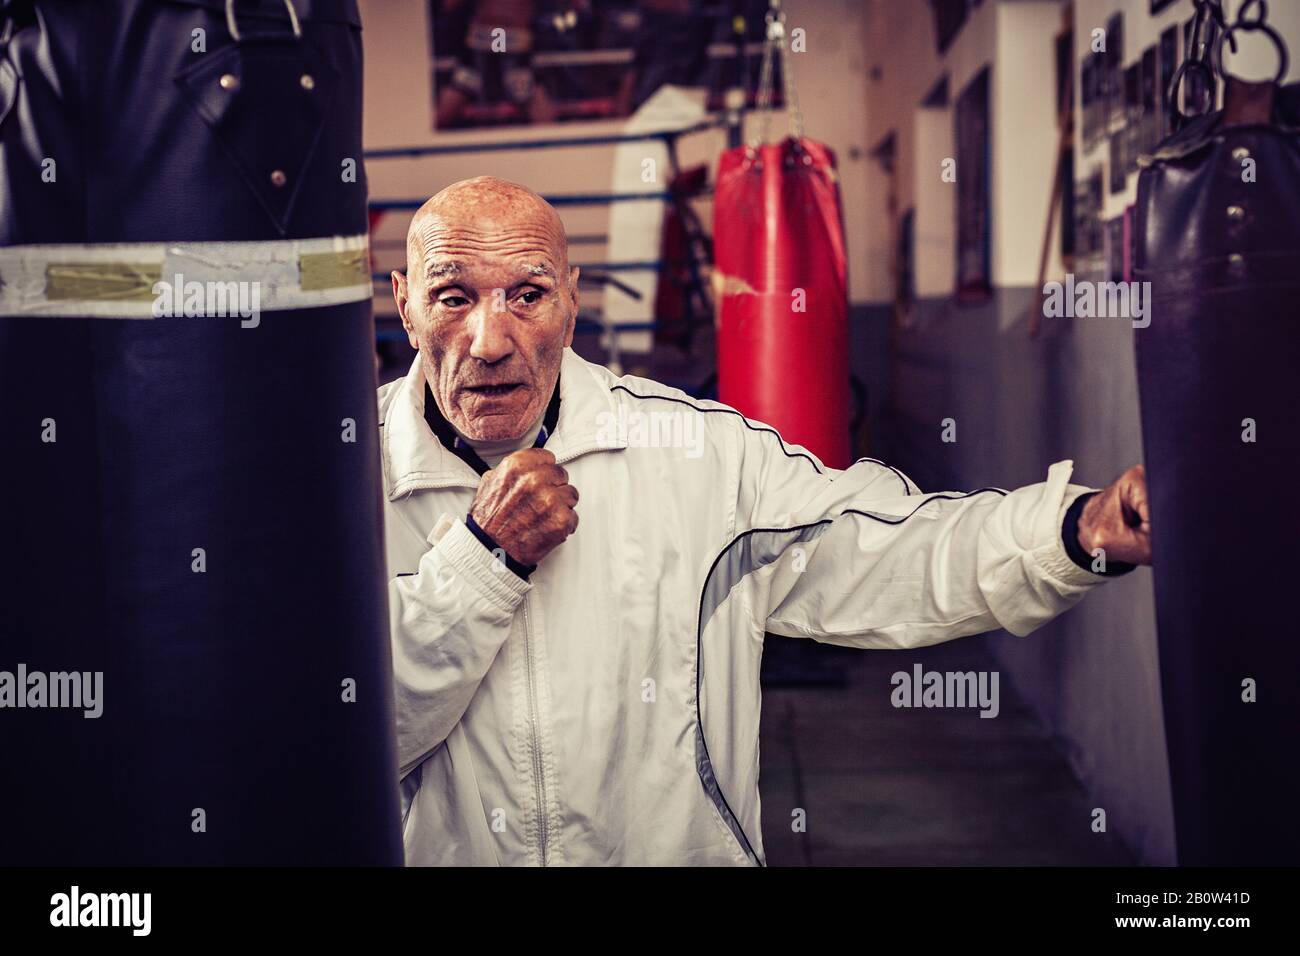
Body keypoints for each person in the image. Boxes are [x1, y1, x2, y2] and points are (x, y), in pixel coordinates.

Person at [382, 176, 1152, 866]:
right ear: (405, 304)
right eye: (454, 297)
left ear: (573, 302)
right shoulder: (339, 486)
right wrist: (483, 562)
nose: (490, 341)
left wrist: (1075, 529)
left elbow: (884, 550)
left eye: (528, 294)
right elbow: (334, 739)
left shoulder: (693, 454)